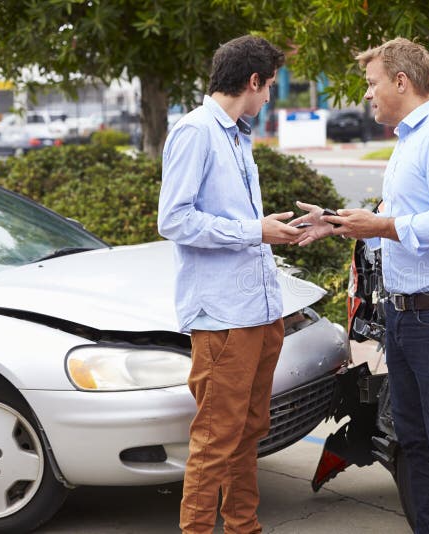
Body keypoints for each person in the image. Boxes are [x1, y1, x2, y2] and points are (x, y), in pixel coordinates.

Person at [293, 37, 429, 534]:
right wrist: (339, 223)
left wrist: (379, 226)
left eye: (372, 83)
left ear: (401, 82)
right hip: (406, 314)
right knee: (414, 441)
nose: (367, 94)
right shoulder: (408, 140)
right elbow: (396, 217)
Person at [157, 35, 301, 534]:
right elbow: (174, 220)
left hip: (259, 311)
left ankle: (244, 527)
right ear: (253, 81)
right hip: (222, 317)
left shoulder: (237, 135)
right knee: (215, 439)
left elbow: (234, 220)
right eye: (270, 87)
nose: (270, 97)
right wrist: (253, 231)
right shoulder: (195, 132)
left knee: (249, 431)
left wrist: (268, 229)